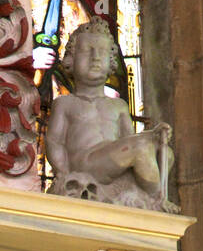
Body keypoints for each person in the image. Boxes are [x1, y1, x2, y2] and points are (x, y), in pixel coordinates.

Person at [45, 18, 170, 197]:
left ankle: (143, 196)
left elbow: (129, 138)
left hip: (112, 163)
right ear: (71, 60)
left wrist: (155, 136)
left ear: (110, 62)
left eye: (102, 52)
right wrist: (63, 173)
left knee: (164, 152)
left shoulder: (118, 106)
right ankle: (155, 199)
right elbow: (54, 142)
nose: (95, 58)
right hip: (85, 164)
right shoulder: (65, 103)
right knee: (142, 148)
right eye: (88, 51)